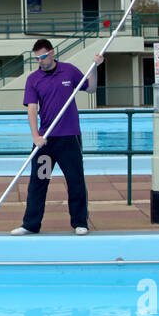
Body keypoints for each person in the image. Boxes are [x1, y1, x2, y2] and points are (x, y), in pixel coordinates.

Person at [12, 38, 102, 235]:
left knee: (75, 180)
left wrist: (95, 67)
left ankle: (80, 223)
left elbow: (91, 88)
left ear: (52, 53)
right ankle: (30, 224)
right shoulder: (34, 79)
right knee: (39, 181)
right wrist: (36, 136)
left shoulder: (69, 71)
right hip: (46, 142)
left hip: (69, 138)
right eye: (37, 58)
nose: (40, 61)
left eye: (43, 56)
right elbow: (32, 109)